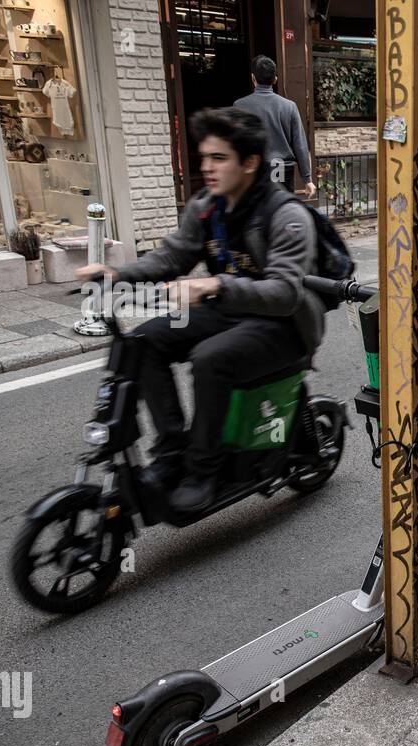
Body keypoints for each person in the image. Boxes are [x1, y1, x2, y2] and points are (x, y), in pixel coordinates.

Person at [76, 107, 325, 512]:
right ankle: (172, 451)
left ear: (250, 163)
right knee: (145, 339)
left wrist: (214, 284)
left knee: (210, 359)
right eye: (204, 157)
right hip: (230, 309)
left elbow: (283, 292)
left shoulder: (287, 216)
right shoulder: (206, 207)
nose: (206, 167)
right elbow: (169, 259)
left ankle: (203, 471)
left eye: (219, 158)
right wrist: (115, 274)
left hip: (284, 325)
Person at [234, 55, 316, 199]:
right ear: (275, 79)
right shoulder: (289, 107)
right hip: (282, 171)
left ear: (253, 78)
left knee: (256, 214)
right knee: (281, 213)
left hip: (252, 171)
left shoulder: (239, 106)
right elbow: (300, 144)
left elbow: (235, 143)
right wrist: (307, 179)